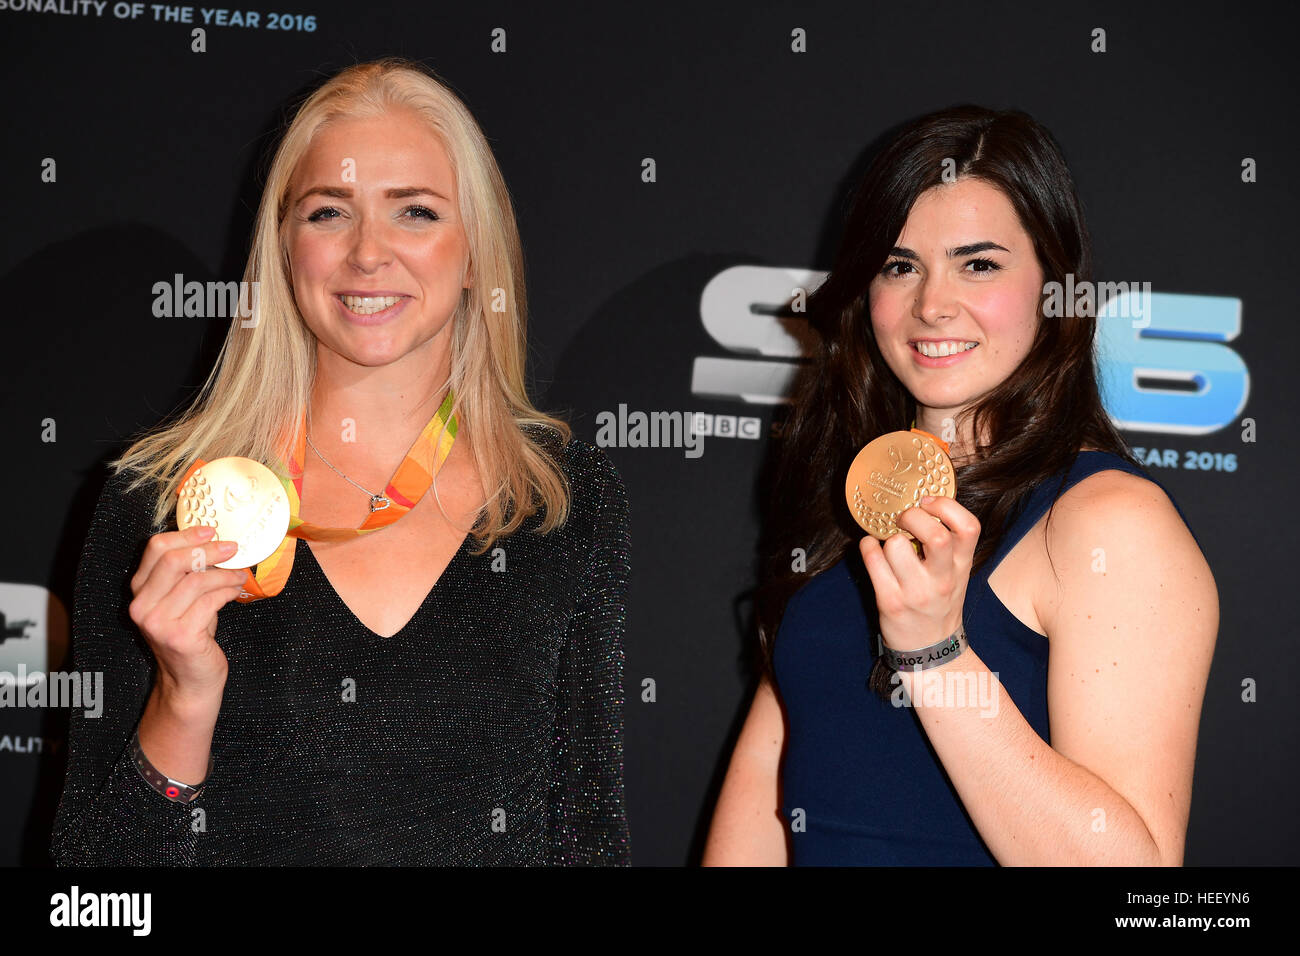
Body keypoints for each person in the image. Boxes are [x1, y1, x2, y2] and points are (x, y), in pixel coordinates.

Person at [50, 57, 630, 866]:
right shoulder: (158, 501)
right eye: (329, 212)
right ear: (285, 247)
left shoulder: (561, 498)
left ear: (475, 253)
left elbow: (589, 836)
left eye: (416, 213)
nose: (367, 254)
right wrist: (185, 698)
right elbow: (98, 898)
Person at [703, 105, 1218, 866]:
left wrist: (938, 654)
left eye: (979, 264)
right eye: (900, 265)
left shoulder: (1110, 524)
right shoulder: (842, 506)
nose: (931, 304)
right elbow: (762, 807)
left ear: (1054, 286)